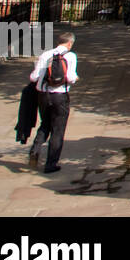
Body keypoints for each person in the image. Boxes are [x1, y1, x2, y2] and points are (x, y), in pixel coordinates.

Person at [28, 32, 78, 174]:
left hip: (43, 95)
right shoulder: (70, 56)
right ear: (69, 43)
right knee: (58, 129)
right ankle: (51, 164)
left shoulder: (45, 55)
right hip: (60, 96)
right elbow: (70, 78)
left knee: (45, 124)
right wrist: (76, 78)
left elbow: (34, 77)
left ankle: (35, 150)